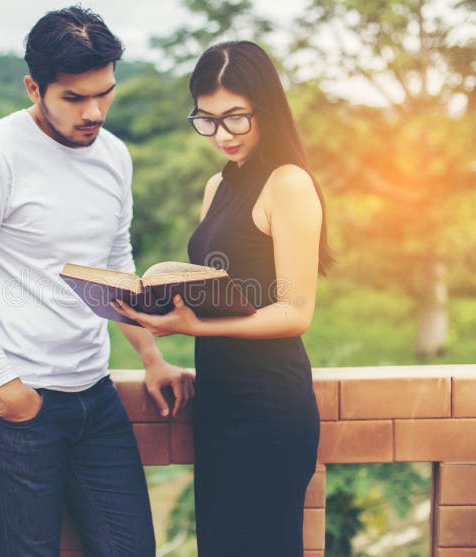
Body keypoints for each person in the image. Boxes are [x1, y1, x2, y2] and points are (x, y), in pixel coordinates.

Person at [0, 7, 194, 557]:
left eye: (105, 93)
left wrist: (150, 357)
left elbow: (115, 261)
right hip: (18, 406)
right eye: (74, 97)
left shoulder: (115, 156)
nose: (93, 112)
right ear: (34, 86)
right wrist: (7, 390)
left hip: (95, 395)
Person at [112, 40, 334, 556]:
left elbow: (295, 312)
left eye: (235, 118)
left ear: (267, 108)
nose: (221, 135)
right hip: (218, 400)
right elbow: (221, 288)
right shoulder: (219, 185)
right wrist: (161, 306)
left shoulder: (289, 184)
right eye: (206, 120)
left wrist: (195, 329)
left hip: (270, 406)